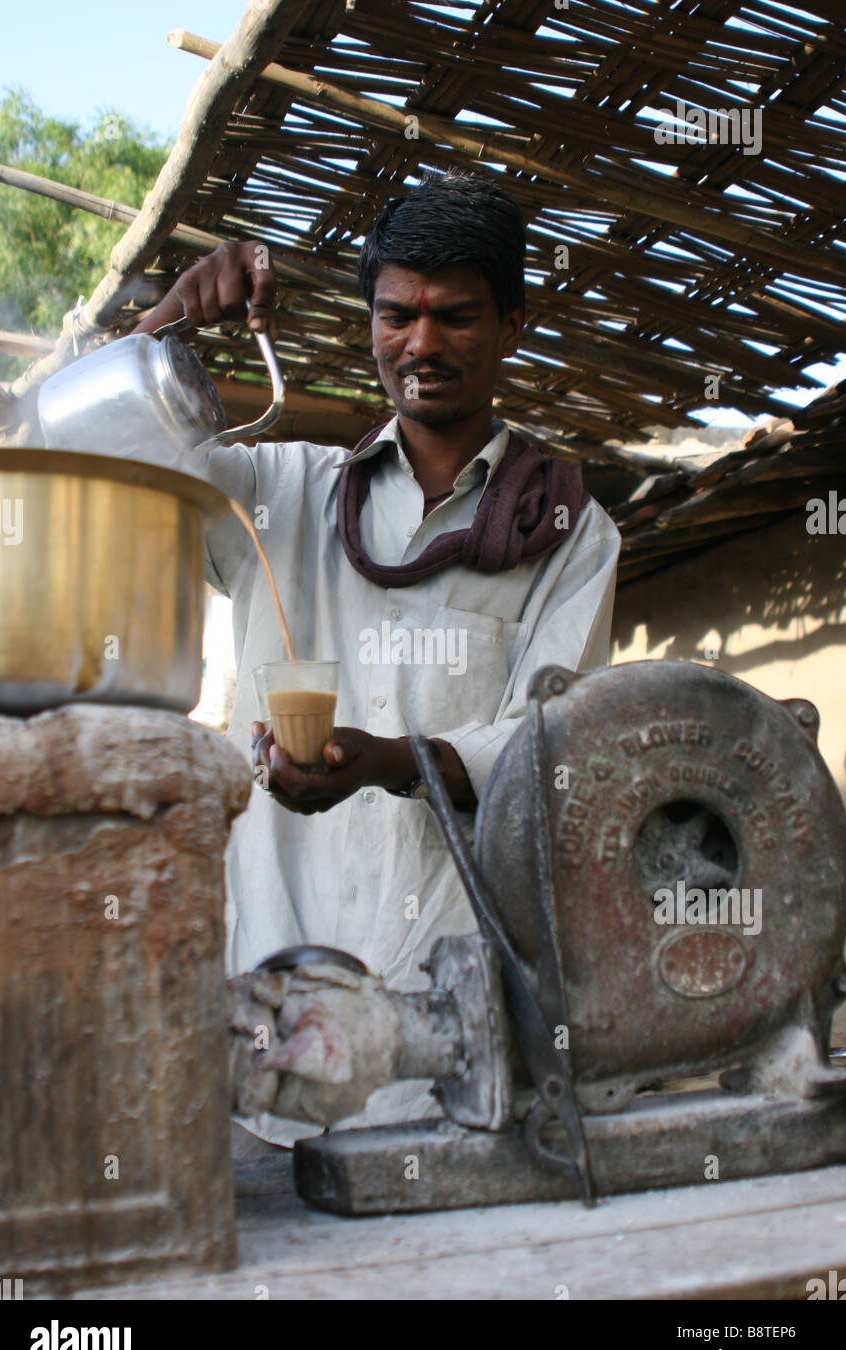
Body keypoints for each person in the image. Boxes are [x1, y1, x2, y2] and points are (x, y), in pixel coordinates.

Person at [135, 172, 621, 1141]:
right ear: (369, 323)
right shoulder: (277, 490)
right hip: (263, 1021)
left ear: (512, 323)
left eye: (455, 316)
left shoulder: (564, 529)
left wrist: (390, 763)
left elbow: (554, 746)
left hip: (451, 1039)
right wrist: (164, 331)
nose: (422, 343)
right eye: (395, 314)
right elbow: (106, 467)